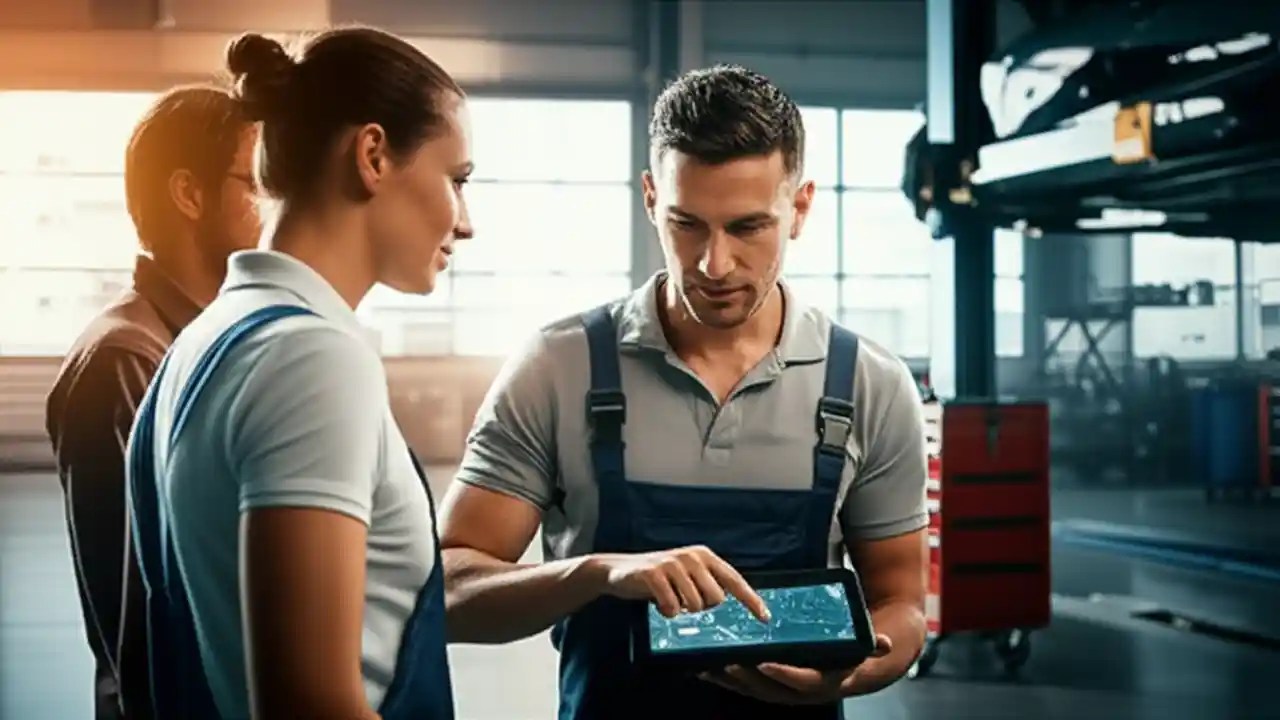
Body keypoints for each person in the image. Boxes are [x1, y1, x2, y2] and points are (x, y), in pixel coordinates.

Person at [438, 64, 928, 719]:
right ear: (649, 199)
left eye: (748, 227)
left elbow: (903, 604)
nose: (714, 265)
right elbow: (445, 592)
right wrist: (599, 573)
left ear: (800, 208)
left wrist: (858, 670)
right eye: (687, 224)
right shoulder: (559, 369)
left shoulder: (870, 384)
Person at [124, 28, 473, 720]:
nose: (465, 222)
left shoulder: (202, 344)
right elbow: (308, 705)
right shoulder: (311, 359)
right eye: (457, 180)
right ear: (373, 155)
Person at [45, 85, 260, 719]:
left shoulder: (200, 341)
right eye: (256, 184)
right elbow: (139, 614)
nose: (275, 209)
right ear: (190, 194)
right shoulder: (125, 360)